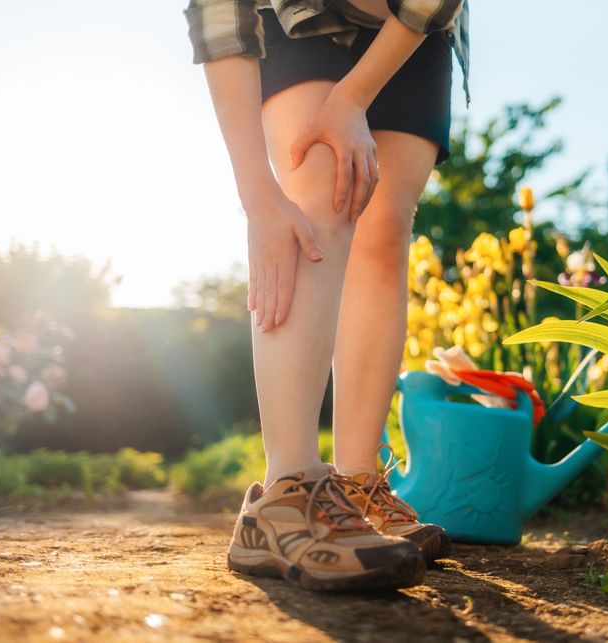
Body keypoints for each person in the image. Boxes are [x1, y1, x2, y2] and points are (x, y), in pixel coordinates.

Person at [182, 0, 469, 591]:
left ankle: (357, 484)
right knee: (323, 182)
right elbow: (221, 22)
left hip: (415, 32)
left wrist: (352, 97)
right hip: (296, 17)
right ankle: (286, 496)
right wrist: (258, 195)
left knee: (384, 226)